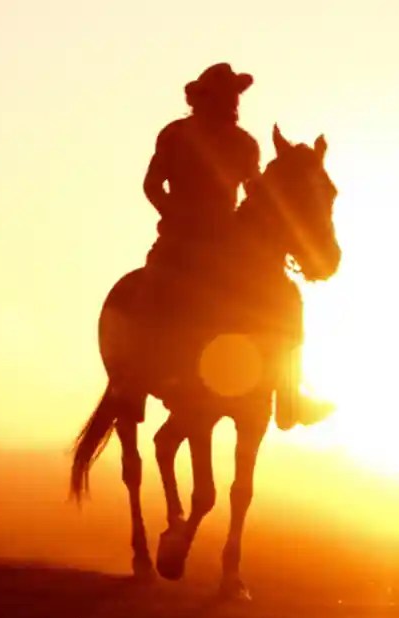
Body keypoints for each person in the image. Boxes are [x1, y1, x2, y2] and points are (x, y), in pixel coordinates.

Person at [142, 62, 330, 429]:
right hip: (181, 237)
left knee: (283, 298)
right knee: (157, 288)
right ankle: (144, 370)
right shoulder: (175, 135)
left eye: (236, 96)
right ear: (205, 99)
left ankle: (290, 395)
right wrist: (174, 213)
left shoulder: (244, 143)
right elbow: (152, 184)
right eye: (227, 96)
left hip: (227, 234)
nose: (234, 103)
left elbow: (252, 186)